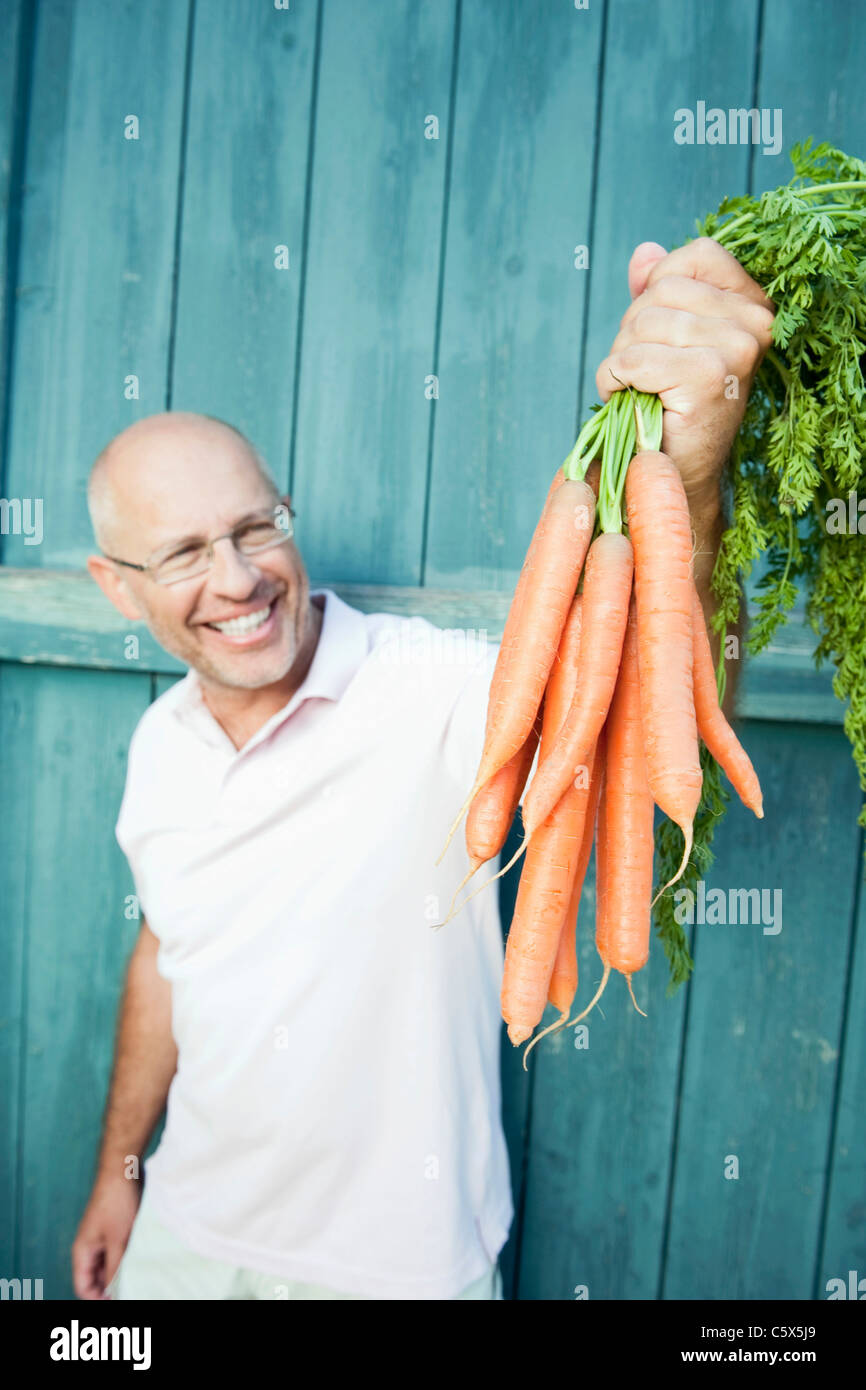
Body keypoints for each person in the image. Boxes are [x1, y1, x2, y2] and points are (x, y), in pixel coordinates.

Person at [71, 240, 773, 1301]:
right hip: (182, 1239)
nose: (238, 577)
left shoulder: (436, 691)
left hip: (393, 1273)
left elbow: (665, 712)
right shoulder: (160, 745)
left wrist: (698, 489)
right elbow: (168, 949)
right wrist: (121, 1174)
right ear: (117, 589)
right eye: (180, 553)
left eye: (255, 524)